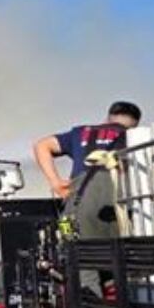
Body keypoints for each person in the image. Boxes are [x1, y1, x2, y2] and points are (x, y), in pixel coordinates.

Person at [32, 101, 142, 242]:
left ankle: (67, 245)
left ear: (107, 118)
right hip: (114, 209)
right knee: (115, 250)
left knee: (68, 239)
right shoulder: (135, 137)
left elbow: (41, 145)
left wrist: (55, 183)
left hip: (75, 209)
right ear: (135, 124)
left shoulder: (81, 132)